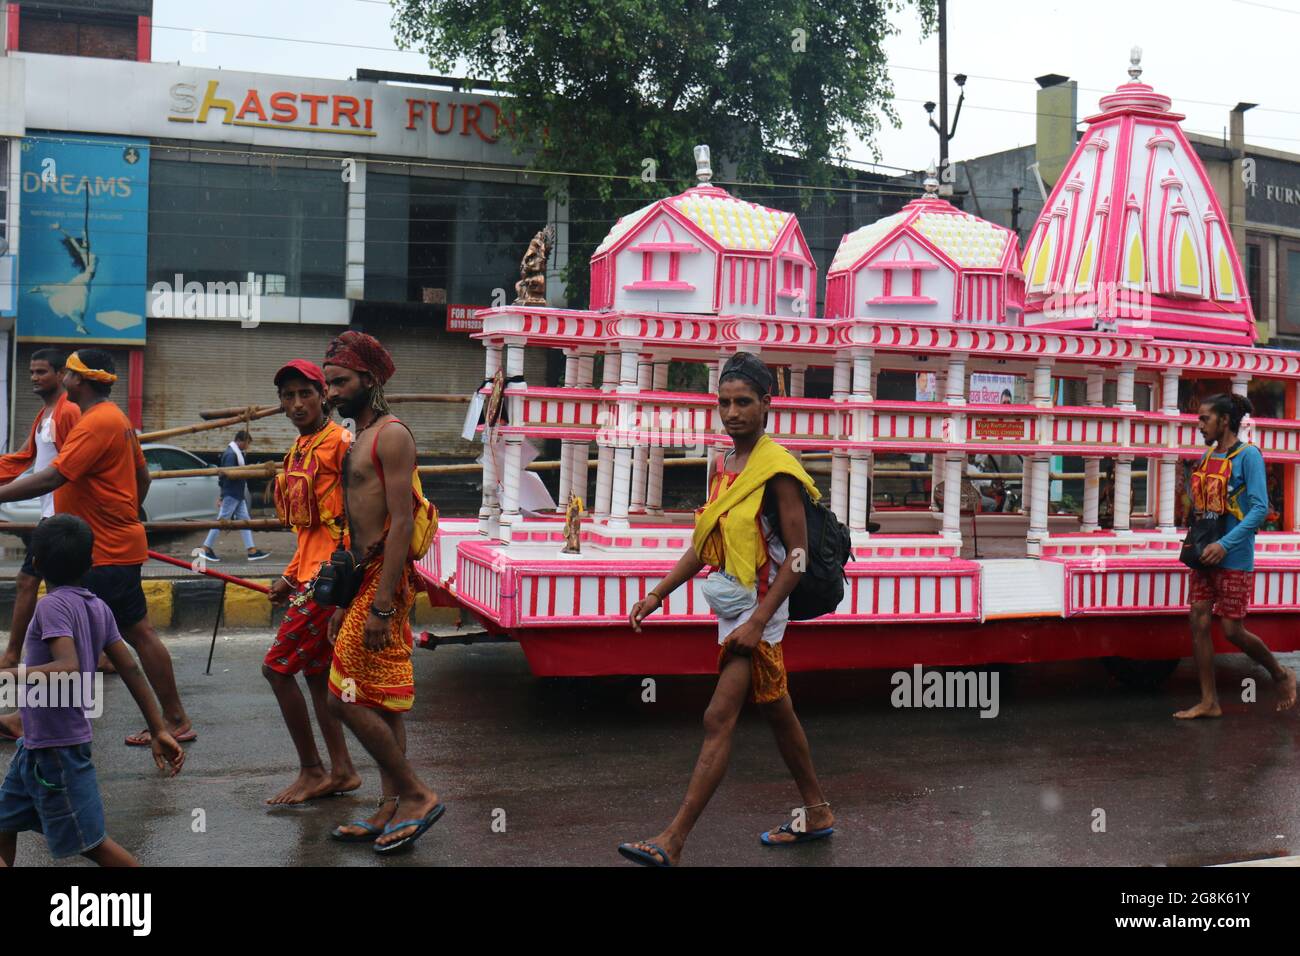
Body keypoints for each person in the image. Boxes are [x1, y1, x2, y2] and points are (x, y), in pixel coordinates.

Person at [618, 352, 833, 867]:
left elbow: (797, 558)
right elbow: (704, 543)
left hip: (762, 609)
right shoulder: (725, 467)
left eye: (744, 402)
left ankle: (673, 839)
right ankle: (817, 810)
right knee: (778, 708)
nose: (733, 412)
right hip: (737, 605)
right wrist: (657, 593)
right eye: (724, 402)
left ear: (766, 405)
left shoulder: (778, 470)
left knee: (719, 715)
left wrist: (758, 623)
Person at [0, 350, 196, 747]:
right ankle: (173, 719)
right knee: (127, 634)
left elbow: (52, 476)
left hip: (103, 549)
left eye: (67, 371)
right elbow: (142, 476)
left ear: (79, 380)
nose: (60, 376)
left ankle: (30, 719)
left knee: (93, 638)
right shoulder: (113, 419)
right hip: (110, 543)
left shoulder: (96, 422)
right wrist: (125, 511)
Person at [0, 514, 184, 866]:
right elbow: (129, 667)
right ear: (91, 561)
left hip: (56, 753)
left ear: (36, 564)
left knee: (92, 843)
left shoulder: (51, 605)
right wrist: (158, 728)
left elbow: (67, 666)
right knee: (3, 822)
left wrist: (10, 674)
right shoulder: (97, 606)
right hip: (35, 746)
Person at [321, 331, 443, 854]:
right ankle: (391, 805)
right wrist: (347, 599)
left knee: (341, 698)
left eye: (340, 382)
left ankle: (416, 794)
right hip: (363, 579)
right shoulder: (359, 435)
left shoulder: (392, 435)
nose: (330, 393)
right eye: (328, 383)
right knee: (385, 700)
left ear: (368, 381)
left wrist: (381, 604)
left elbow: (399, 524)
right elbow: (359, 523)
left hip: (385, 583)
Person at [263, 360, 360, 805]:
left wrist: (346, 585)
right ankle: (341, 771)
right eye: (288, 396)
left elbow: (354, 517)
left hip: (331, 579)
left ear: (324, 395)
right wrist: (289, 574)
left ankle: (311, 769)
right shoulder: (300, 448)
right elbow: (311, 528)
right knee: (317, 675)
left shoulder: (342, 443)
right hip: (309, 575)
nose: (297, 403)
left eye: (305, 393)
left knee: (277, 668)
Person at [1175, 393, 1296, 719]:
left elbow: (1260, 509)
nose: (1199, 425)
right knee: (1198, 619)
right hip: (1204, 555)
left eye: (1204, 419)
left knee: (1231, 630)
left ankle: (1281, 674)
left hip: (1233, 556)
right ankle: (1209, 701)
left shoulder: (1249, 456)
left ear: (1224, 421)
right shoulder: (1209, 454)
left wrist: (1225, 545)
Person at [0, 349, 82, 743]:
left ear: (62, 375)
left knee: (35, 587)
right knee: (36, 588)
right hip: (52, 517)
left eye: (41, 371)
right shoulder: (45, 414)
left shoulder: (68, 412)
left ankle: (14, 657)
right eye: (30, 371)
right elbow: (25, 460)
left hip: (62, 520)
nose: (34, 377)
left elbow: (67, 468)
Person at [199, 429, 269, 563]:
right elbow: (226, 475)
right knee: (221, 521)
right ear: (240, 441)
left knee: (245, 521)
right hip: (232, 493)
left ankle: (252, 551)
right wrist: (223, 495)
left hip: (237, 493)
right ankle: (206, 548)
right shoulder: (231, 454)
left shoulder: (235, 453)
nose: (247, 446)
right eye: (247, 443)